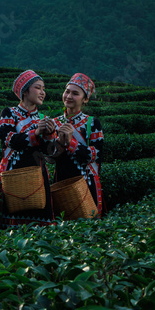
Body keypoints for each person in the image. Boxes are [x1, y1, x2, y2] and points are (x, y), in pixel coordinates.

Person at [0, 69, 57, 226]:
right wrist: (36, 132)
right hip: (14, 176)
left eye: (43, 88)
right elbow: (11, 140)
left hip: (37, 176)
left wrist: (50, 134)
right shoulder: (9, 113)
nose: (42, 92)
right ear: (24, 91)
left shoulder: (43, 119)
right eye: (38, 88)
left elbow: (50, 153)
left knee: (41, 226)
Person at [52, 73, 105, 217]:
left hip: (85, 184)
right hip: (61, 182)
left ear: (85, 99)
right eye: (67, 91)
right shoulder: (55, 123)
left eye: (75, 93)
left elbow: (95, 155)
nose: (69, 96)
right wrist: (58, 146)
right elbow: (49, 158)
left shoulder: (92, 123)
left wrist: (71, 142)